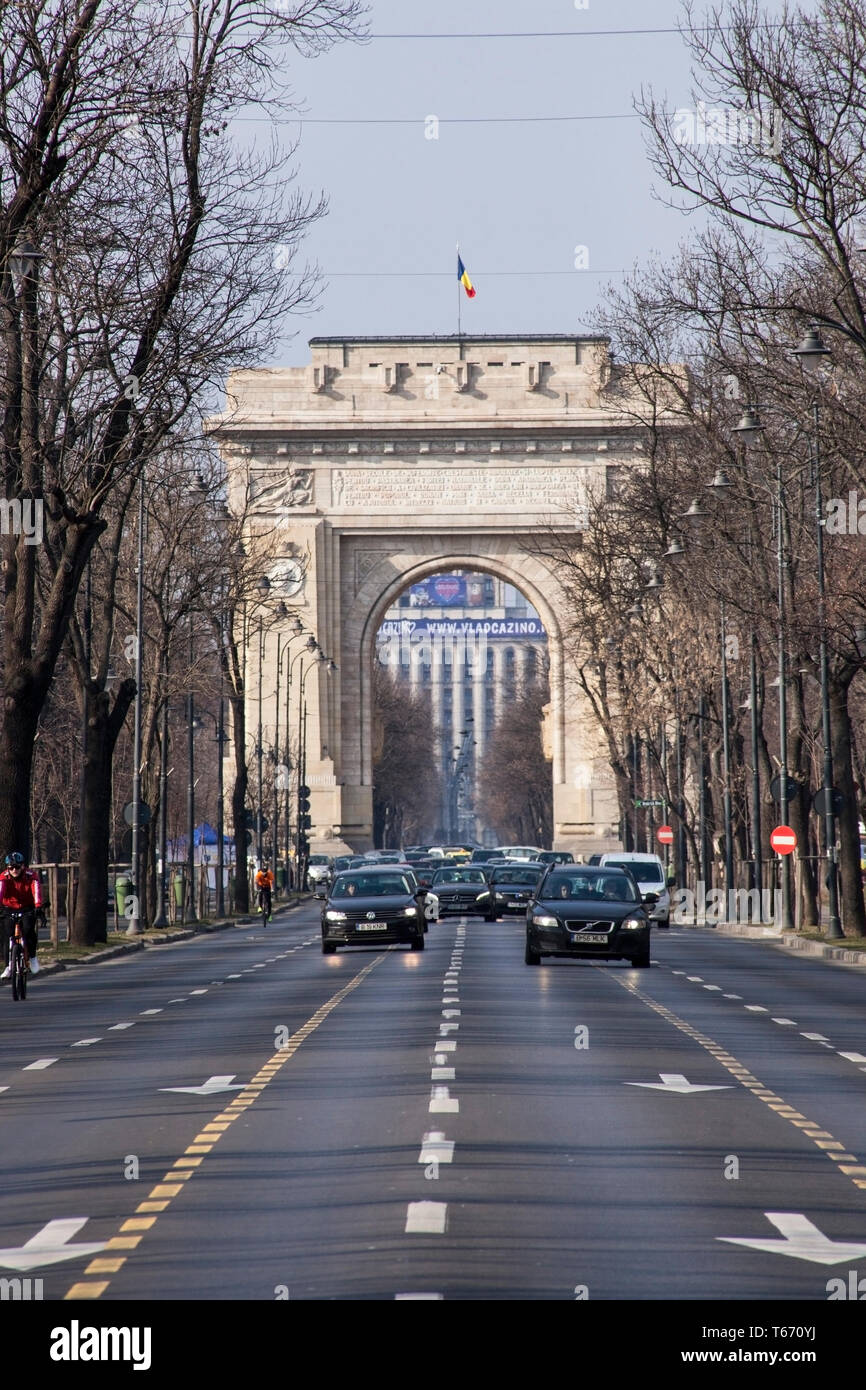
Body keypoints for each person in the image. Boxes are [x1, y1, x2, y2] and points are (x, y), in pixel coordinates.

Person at [0, 852, 42, 977]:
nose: (14, 870)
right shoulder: (4, 877)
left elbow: (36, 891)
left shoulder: (31, 876)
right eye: (11, 867)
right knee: (8, 936)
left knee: (28, 930)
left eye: (17, 867)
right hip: (9, 908)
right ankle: (8, 967)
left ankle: (33, 958)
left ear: (23, 866)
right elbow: (0, 891)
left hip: (26, 908)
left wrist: (38, 906)